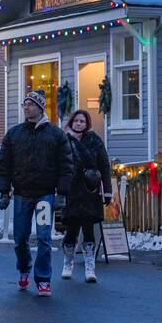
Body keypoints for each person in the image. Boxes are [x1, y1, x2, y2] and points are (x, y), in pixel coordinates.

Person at [0, 89, 74, 296]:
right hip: (22, 194)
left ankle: (43, 278)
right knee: (21, 237)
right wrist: (4, 191)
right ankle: (24, 268)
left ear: (40, 107)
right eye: (24, 104)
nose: (26, 108)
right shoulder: (14, 134)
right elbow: (4, 164)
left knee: (43, 237)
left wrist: (62, 192)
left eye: (30, 104)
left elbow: (66, 164)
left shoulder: (55, 134)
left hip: (44, 194)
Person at [62, 108, 112, 283]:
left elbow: (105, 166)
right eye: (76, 121)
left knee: (89, 228)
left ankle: (90, 266)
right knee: (71, 229)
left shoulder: (94, 141)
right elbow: (58, 165)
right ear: (71, 122)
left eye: (82, 121)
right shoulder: (64, 140)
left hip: (90, 190)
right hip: (71, 191)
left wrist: (107, 191)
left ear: (87, 124)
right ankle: (68, 262)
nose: (78, 124)